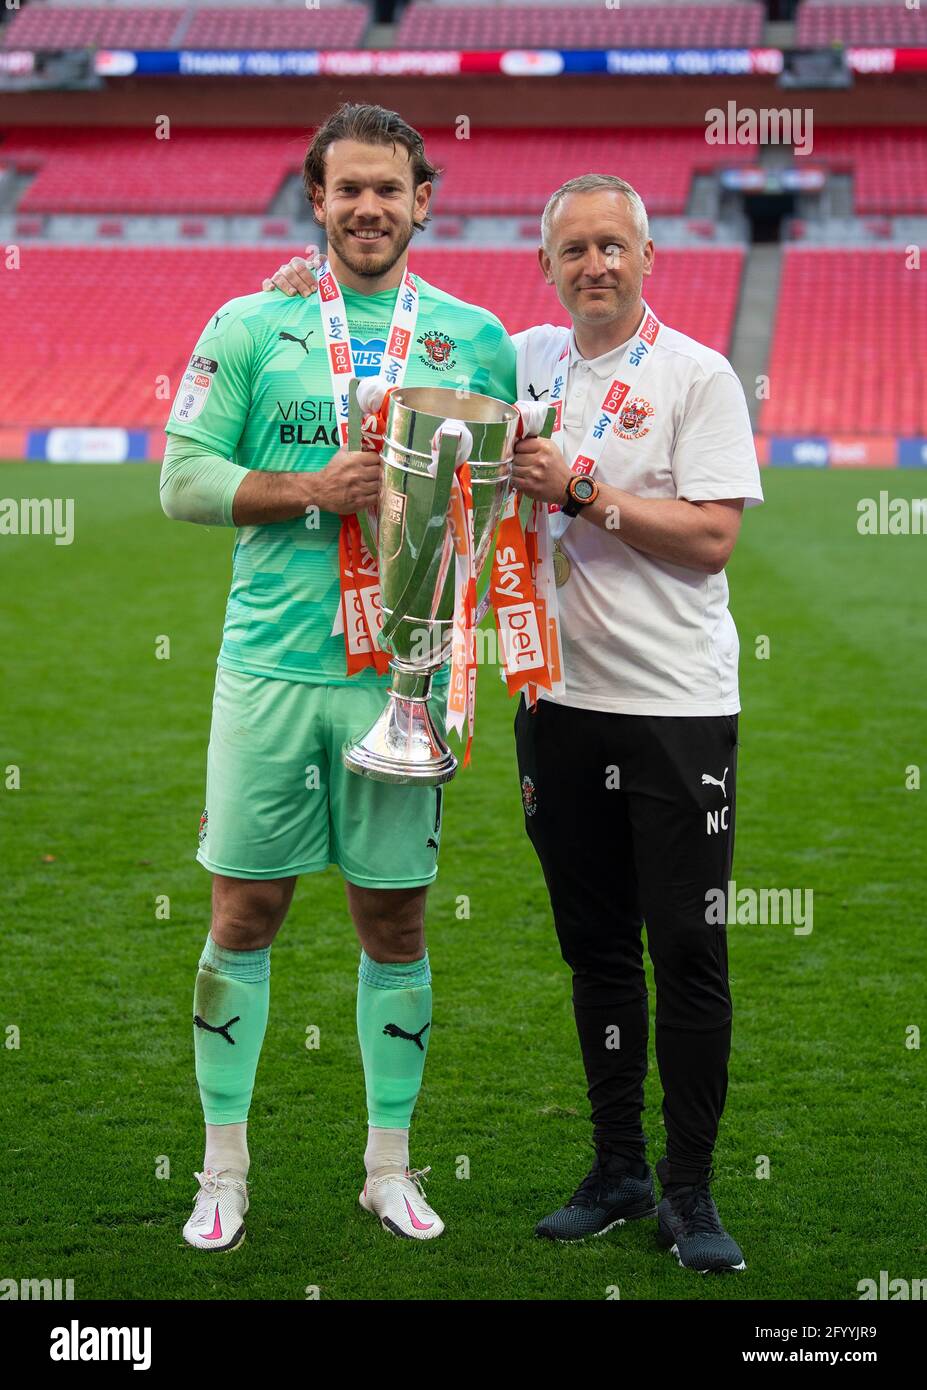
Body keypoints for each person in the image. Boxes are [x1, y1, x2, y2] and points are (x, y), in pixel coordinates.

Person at [265, 171, 763, 1274]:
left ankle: (692, 1191)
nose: (595, 265)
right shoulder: (520, 357)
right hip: (556, 705)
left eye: (612, 246)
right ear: (547, 268)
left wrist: (585, 492)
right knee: (593, 950)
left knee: (685, 946)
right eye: (573, 250)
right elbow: (402, 342)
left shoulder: (700, 375)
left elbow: (715, 537)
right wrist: (305, 289)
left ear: (648, 257)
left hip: (676, 708)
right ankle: (618, 1168)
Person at [160, 102, 516, 1251]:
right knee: (245, 909)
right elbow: (182, 481)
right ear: (315, 199)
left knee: (396, 922)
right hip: (269, 669)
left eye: (389, 188)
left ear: (425, 199)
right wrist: (318, 486)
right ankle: (223, 1169)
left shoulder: (475, 337)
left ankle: (390, 1167)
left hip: (395, 673)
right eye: (346, 188)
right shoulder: (253, 321)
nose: (369, 207)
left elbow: (505, 492)